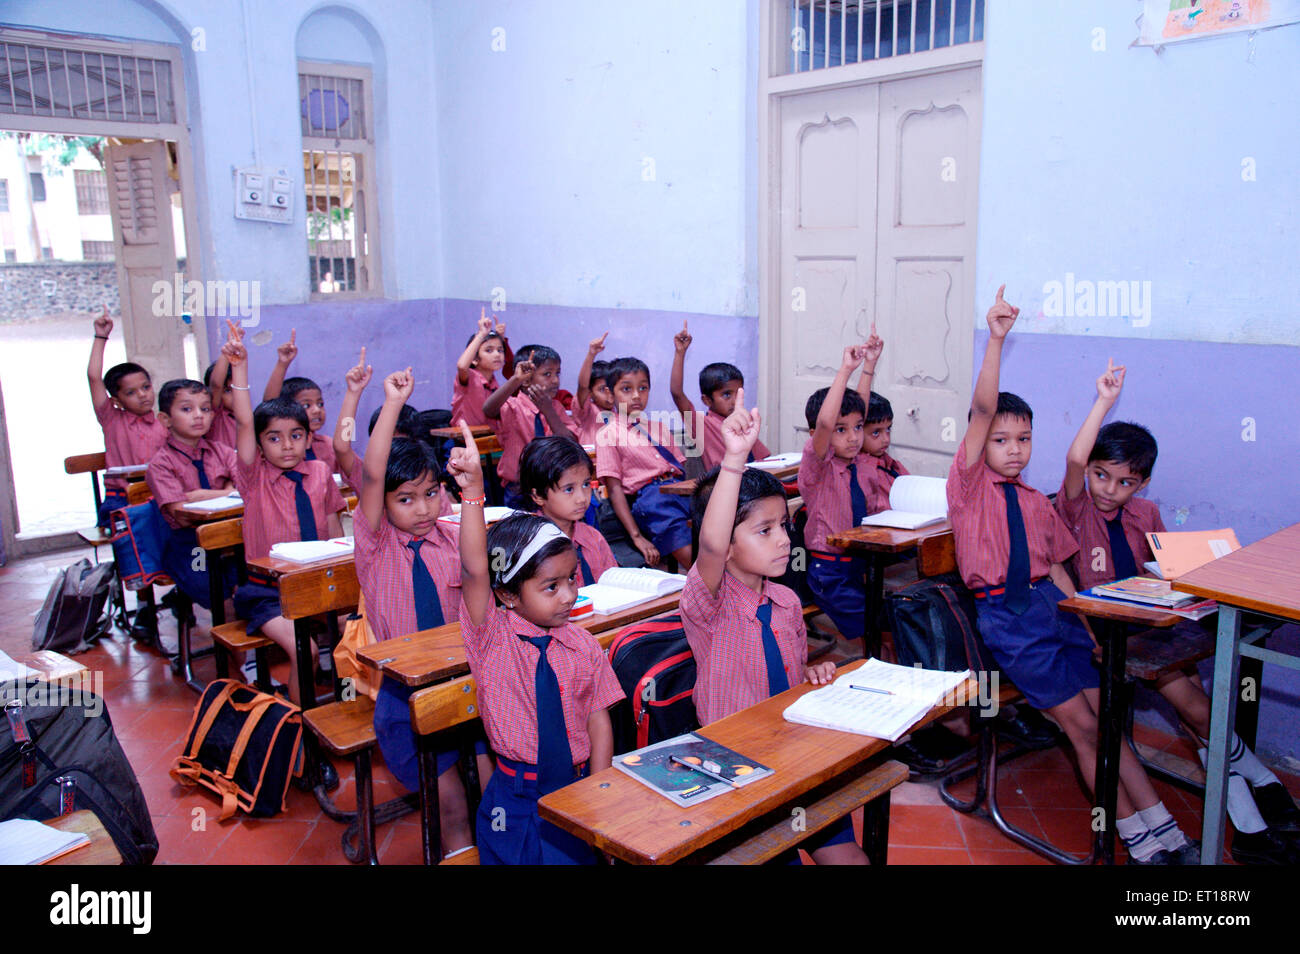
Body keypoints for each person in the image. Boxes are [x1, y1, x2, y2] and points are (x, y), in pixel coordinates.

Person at [949, 285, 1196, 864]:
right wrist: (997, 340)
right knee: (1082, 729)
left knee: (1107, 721)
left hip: (1055, 611)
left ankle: (1167, 829)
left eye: (1024, 439)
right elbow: (983, 411)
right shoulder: (967, 492)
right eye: (1002, 440)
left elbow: (1059, 569)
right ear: (981, 443)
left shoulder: (1036, 502)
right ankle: (1136, 840)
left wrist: (1085, 624)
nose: (1013, 450)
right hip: (1008, 621)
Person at [1057, 360, 1300, 863]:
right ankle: (1261, 800)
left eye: (1124, 482)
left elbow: (1162, 572)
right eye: (1102, 476)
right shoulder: (1076, 507)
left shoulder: (1145, 513)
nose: (1109, 488)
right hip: (1098, 637)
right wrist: (1102, 401)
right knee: (1193, 705)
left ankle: (1255, 813)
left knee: (1194, 706)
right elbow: (1076, 462)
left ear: (1141, 484)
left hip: (1149, 629)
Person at [682, 388, 865, 864]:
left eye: (784, 526)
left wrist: (812, 676)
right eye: (765, 531)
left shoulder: (785, 601)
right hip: (736, 769)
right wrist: (734, 460)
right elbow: (711, 543)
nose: (785, 540)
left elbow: (785, 674)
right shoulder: (709, 602)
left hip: (795, 754)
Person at [450, 422, 623, 864]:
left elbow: (598, 719)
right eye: (551, 587)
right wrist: (472, 490)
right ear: (507, 594)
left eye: (571, 580)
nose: (569, 595)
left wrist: (599, 789)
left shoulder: (581, 645)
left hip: (578, 786)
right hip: (516, 795)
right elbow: (474, 571)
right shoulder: (492, 636)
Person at [354, 368, 488, 859]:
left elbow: (478, 573)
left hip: (471, 679)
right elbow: (372, 473)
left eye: (431, 493)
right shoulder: (375, 546)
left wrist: (471, 487)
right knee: (451, 806)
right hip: (406, 695)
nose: (423, 509)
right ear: (382, 504)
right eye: (405, 499)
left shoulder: (453, 537)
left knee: (496, 794)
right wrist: (391, 403)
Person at [222, 321, 347, 705]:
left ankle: (347, 708)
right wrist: (240, 368)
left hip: (316, 582)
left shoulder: (321, 472)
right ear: (259, 446)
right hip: (266, 593)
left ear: (309, 438)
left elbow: (329, 528)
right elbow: (245, 419)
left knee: (356, 633)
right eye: (273, 438)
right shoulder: (253, 475)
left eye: (295, 436)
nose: (286, 446)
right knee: (305, 652)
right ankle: (301, 730)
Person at [795, 329, 885, 643]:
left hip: (860, 564)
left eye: (859, 428)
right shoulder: (819, 467)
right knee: (874, 635)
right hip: (829, 572)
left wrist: (869, 366)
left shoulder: (857, 463)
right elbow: (824, 423)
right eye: (842, 430)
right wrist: (846, 369)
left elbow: (855, 409)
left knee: (885, 629)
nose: (854, 437)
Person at [596, 356, 694, 569]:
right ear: (610, 394)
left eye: (643, 388)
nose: (636, 396)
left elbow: (680, 468)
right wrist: (637, 536)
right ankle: (715, 590)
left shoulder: (658, 427)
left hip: (678, 491)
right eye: (626, 389)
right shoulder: (608, 434)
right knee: (694, 560)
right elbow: (614, 490)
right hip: (652, 500)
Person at [87, 307, 166, 526]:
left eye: (146, 387)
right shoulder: (112, 419)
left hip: (157, 496)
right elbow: (94, 377)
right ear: (116, 401)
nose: (142, 395)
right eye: (131, 393)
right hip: (120, 499)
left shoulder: (164, 422)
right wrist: (101, 336)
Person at [483, 344, 578, 509]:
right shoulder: (512, 406)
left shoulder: (555, 407)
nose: (555, 380)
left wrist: (548, 411)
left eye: (557, 373)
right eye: (547, 374)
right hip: (519, 489)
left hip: (553, 486)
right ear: (526, 380)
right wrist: (515, 379)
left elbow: (570, 442)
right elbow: (489, 409)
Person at [668, 319, 771, 470]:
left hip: (752, 481)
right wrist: (680, 353)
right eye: (727, 395)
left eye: (739, 393)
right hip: (723, 484)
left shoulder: (743, 421)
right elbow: (677, 393)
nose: (735, 400)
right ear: (707, 400)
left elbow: (764, 459)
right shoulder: (702, 424)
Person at [519, 436, 617, 586]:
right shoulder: (527, 545)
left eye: (585, 485)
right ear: (538, 496)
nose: (582, 498)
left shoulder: (594, 539)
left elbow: (614, 585)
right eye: (569, 489)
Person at [262, 329, 335, 471]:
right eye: (307, 405)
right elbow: (269, 407)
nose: (316, 410)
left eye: (320, 404)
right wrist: (282, 364)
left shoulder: (327, 445)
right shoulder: (282, 448)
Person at [452, 312, 515, 430]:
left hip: (489, 438)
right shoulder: (469, 377)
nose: (497, 355)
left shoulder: (494, 383)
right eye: (489, 350)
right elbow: (461, 366)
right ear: (475, 359)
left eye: (500, 350)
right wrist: (481, 334)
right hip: (465, 438)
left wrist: (501, 337)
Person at [572, 332, 614, 445]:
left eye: (611, 388)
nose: (609, 394)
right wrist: (591, 355)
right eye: (602, 389)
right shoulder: (586, 410)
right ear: (590, 393)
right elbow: (583, 386)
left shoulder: (619, 414)